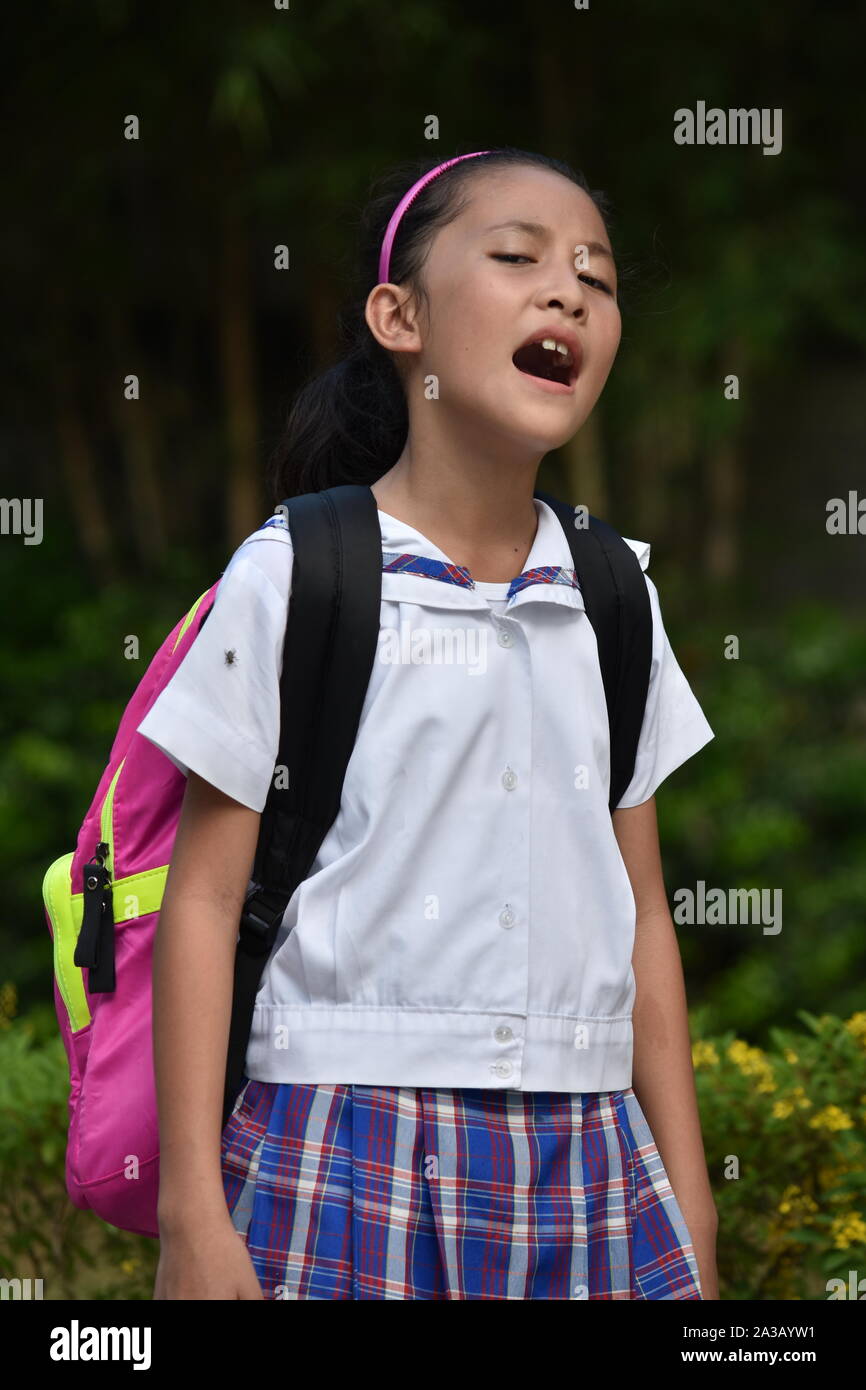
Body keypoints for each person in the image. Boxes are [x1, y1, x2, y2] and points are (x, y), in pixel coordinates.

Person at [142, 146, 719, 1300]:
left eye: (593, 280)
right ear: (396, 316)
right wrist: (190, 1221)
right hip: (339, 1141)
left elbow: (643, 913)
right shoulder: (298, 572)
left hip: (591, 1164)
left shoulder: (610, 592)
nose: (565, 292)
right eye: (516, 257)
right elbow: (201, 904)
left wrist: (691, 1213)